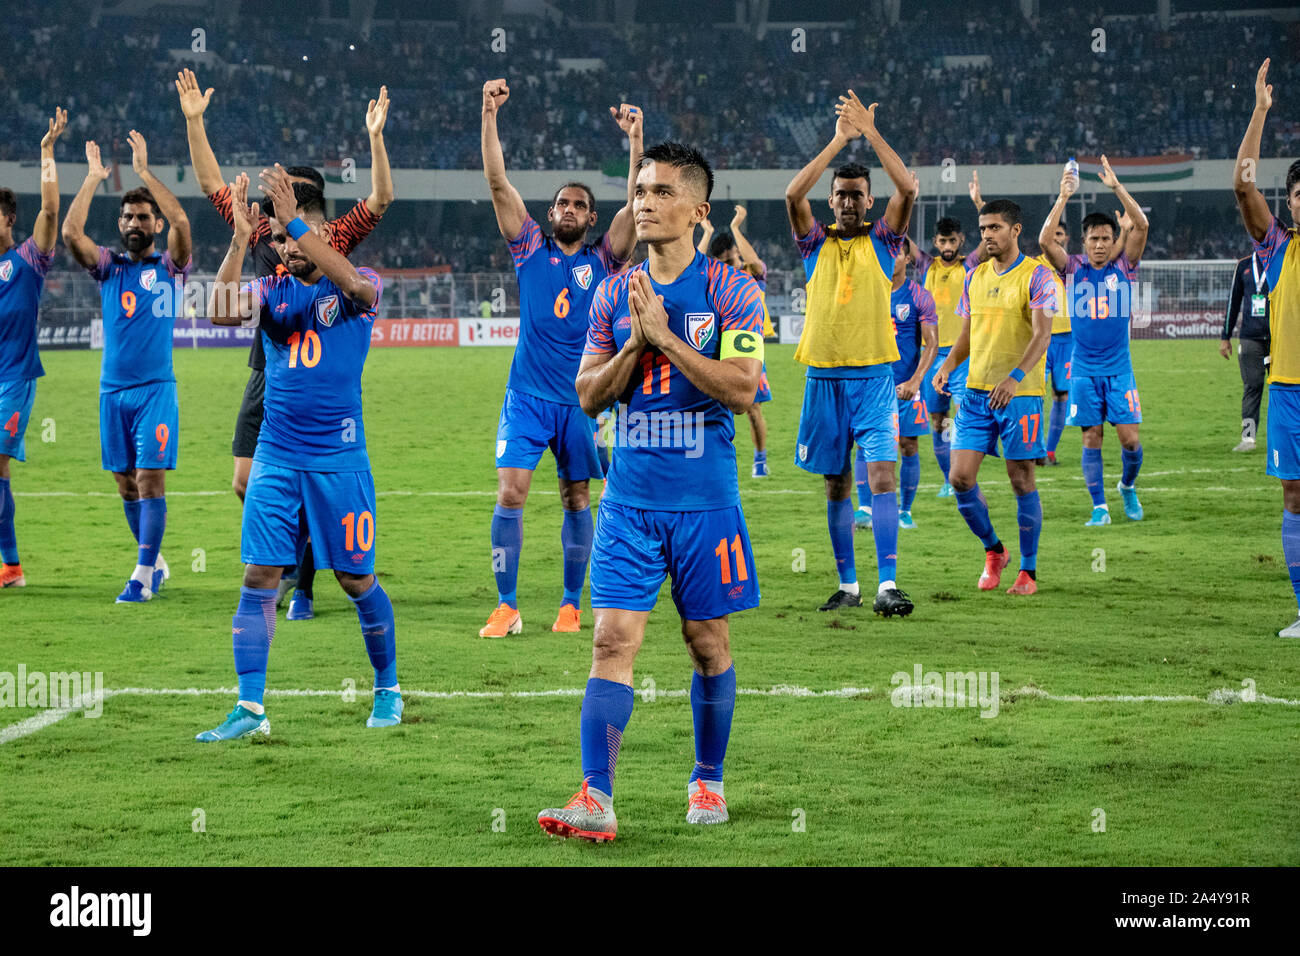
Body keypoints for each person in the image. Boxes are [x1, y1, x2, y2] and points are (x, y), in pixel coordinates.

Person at [536, 142, 763, 841]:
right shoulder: (612, 292)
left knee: (706, 643)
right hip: (629, 501)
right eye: (639, 189)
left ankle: (707, 780)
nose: (644, 200)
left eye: (662, 191)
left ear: (698, 209)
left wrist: (665, 336)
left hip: (705, 502)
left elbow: (743, 387)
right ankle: (596, 799)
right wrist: (637, 344)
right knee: (609, 642)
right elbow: (587, 397)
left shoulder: (734, 292)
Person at [176, 68, 392, 620]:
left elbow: (381, 202)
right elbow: (208, 184)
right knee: (245, 481)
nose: (277, 207)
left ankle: (308, 583)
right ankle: (292, 559)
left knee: (314, 479)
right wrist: (195, 123)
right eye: (275, 199)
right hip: (266, 355)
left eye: (286, 196)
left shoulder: (329, 239)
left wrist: (373, 138)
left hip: (323, 358)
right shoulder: (257, 222)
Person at [199, 169, 400, 738]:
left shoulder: (356, 282)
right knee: (259, 573)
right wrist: (241, 240)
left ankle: (387, 689)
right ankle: (250, 708)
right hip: (277, 455)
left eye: (297, 234)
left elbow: (359, 290)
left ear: (323, 232)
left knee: (356, 581)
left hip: (340, 460)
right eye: (282, 239)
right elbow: (216, 310)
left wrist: (293, 222)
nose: (287, 247)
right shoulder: (273, 292)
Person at [478, 78, 639, 637]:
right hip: (525, 397)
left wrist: (635, 141)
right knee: (510, 492)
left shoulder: (606, 259)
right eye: (563, 202)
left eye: (579, 205)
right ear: (550, 212)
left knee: (576, 496)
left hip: (580, 401)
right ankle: (507, 605)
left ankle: (571, 604)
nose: (569, 209)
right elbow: (497, 182)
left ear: (592, 219)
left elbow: (636, 204)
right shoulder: (529, 248)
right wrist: (489, 113)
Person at [783, 90, 915, 618]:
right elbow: (793, 197)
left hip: (874, 378)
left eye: (857, 194)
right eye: (840, 194)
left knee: (881, 476)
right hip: (822, 378)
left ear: (869, 199)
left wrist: (871, 134)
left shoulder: (884, 240)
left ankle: (887, 585)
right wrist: (839, 139)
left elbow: (907, 186)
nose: (847, 201)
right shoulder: (814, 243)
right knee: (836, 481)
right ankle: (849, 586)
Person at [62, 133, 191, 603]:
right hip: (111, 392)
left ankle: (140, 575)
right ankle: (154, 562)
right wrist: (93, 178)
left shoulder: (172, 265)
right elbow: (71, 235)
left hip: (156, 389)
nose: (134, 223)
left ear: (153, 222)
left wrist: (144, 174)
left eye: (142, 216)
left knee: (149, 478)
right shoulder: (109, 268)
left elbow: (180, 219)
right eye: (128, 217)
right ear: (120, 223)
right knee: (125, 483)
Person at [932, 198, 1055, 595]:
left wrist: (1015, 378)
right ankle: (994, 551)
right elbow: (968, 332)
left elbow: (1042, 334)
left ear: (1016, 230)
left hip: (1020, 395)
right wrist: (948, 365)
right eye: (983, 229)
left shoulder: (1037, 276)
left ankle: (1029, 572)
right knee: (960, 477)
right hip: (975, 392)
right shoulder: (975, 276)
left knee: (1021, 479)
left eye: (995, 228)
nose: (988, 235)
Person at [1040, 156, 1150, 526]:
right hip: (1084, 369)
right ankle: (1099, 508)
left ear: (1111, 240)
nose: (1100, 244)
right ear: (1083, 242)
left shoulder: (1125, 267)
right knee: (1091, 438)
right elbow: (1043, 239)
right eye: (1094, 239)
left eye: (1106, 238)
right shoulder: (1072, 269)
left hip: (1120, 368)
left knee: (1131, 441)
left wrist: (1117, 186)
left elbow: (1143, 225)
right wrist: (1063, 197)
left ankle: (1127, 487)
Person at [1232, 59, 1300, 638]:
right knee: (1295, 496)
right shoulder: (1278, 247)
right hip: (1288, 393)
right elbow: (1243, 184)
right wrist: (1259, 111)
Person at [0, 108, 65, 589]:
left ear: (7, 218)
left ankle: (12, 566)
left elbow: (50, 212)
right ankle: (12, 565)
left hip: (14, 380)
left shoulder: (26, 258)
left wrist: (46, 152)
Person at [856, 240, 937, 530]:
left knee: (908, 444)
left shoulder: (919, 296)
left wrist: (915, 381)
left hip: (907, 386)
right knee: (865, 444)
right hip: (871, 386)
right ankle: (865, 508)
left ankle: (905, 511)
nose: (889, 260)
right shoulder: (866, 294)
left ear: (906, 257)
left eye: (895, 254)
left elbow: (932, 344)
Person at [698, 205, 773, 477]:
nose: (735, 264)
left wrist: (734, 229)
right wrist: (705, 231)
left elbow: (754, 263)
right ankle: (713, 460)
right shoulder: (712, 281)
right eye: (726, 261)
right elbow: (693, 262)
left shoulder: (751, 278)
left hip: (749, 351)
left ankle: (760, 460)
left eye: (735, 259)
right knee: (711, 411)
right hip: (716, 353)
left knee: (753, 409)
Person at [1222, 249, 1271, 452]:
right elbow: (1233, 302)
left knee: (1285, 389)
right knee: (1252, 387)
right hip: (1250, 338)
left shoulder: (1282, 261)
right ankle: (1248, 437)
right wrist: (1225, 337)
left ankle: (1287, 436)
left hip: (1280, 337)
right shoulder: (1243, 266)